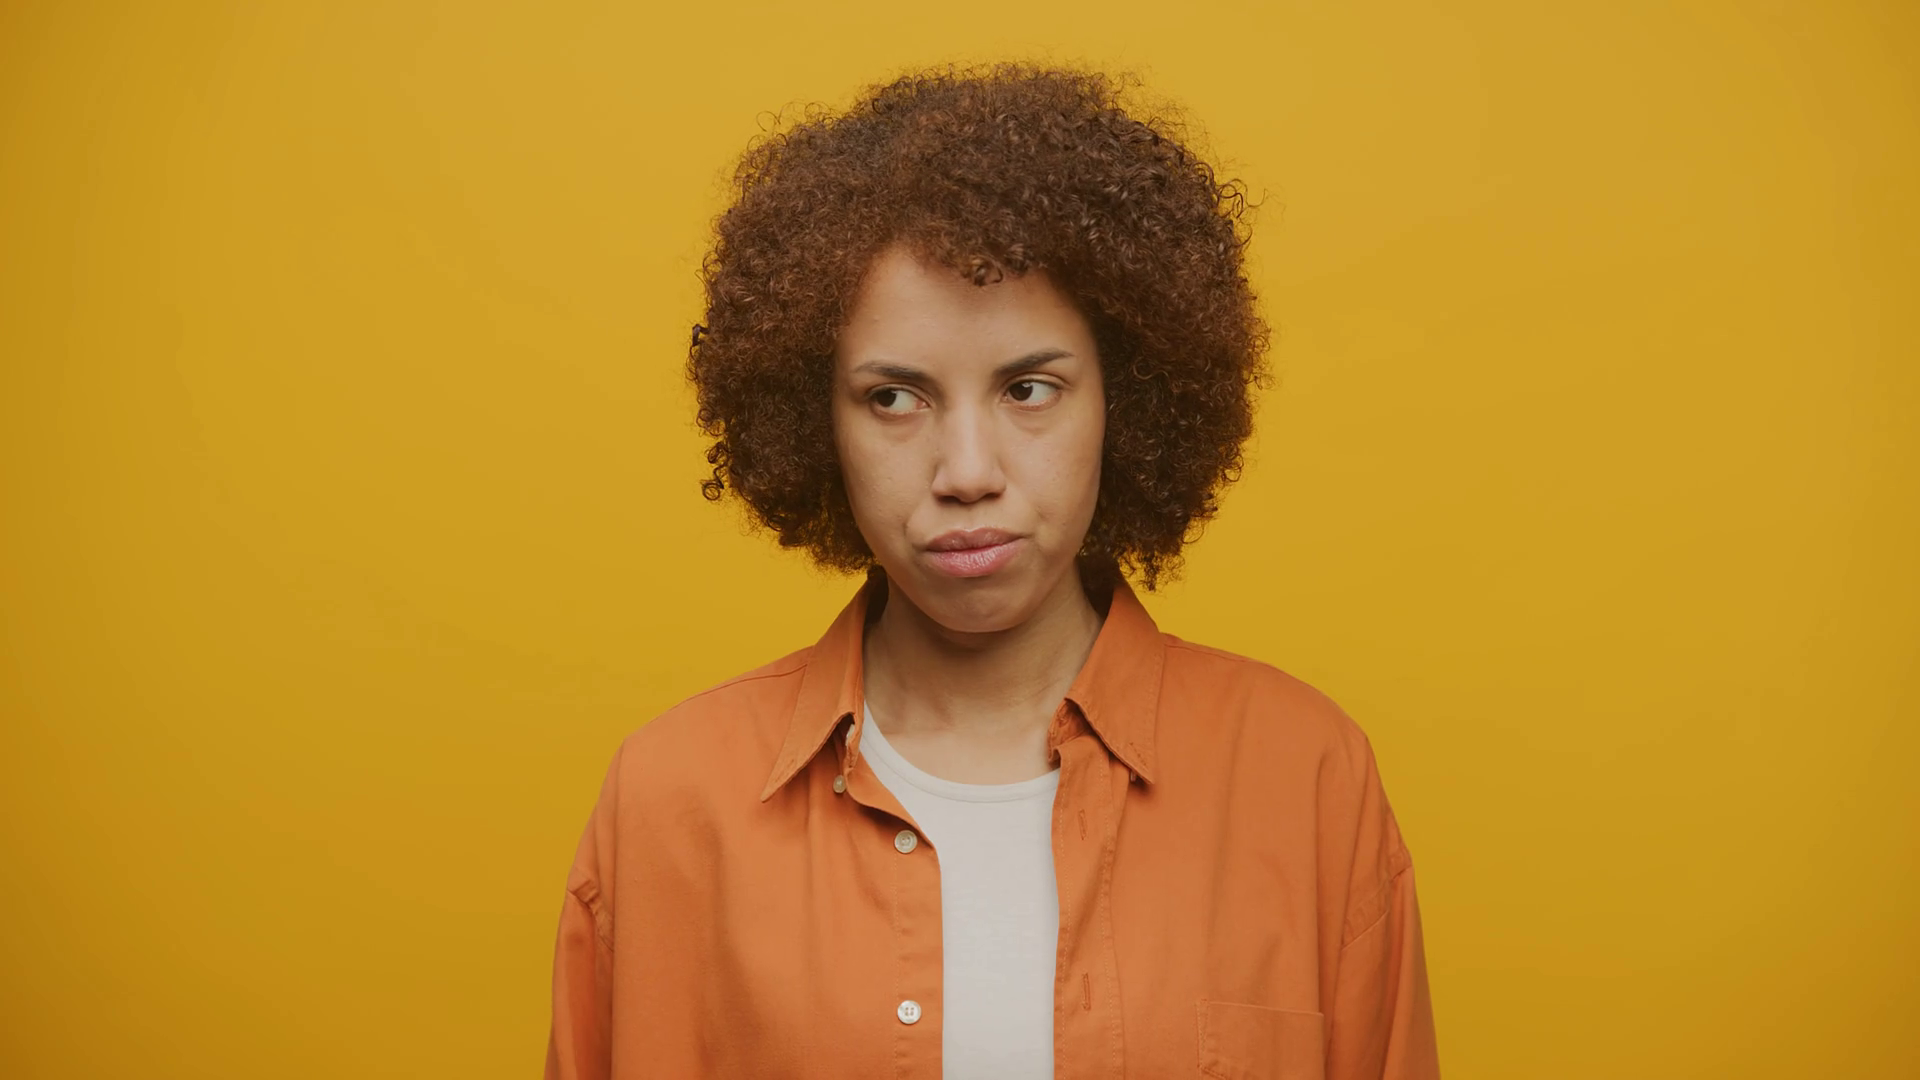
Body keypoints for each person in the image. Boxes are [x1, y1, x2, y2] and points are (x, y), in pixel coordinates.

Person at [545, 61, 1439, 1080]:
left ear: (1127, 398)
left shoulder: (1305, 777)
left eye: (1028, 388)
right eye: (893, 398)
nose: (966, 473)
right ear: (812, 419)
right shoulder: (672, 799)